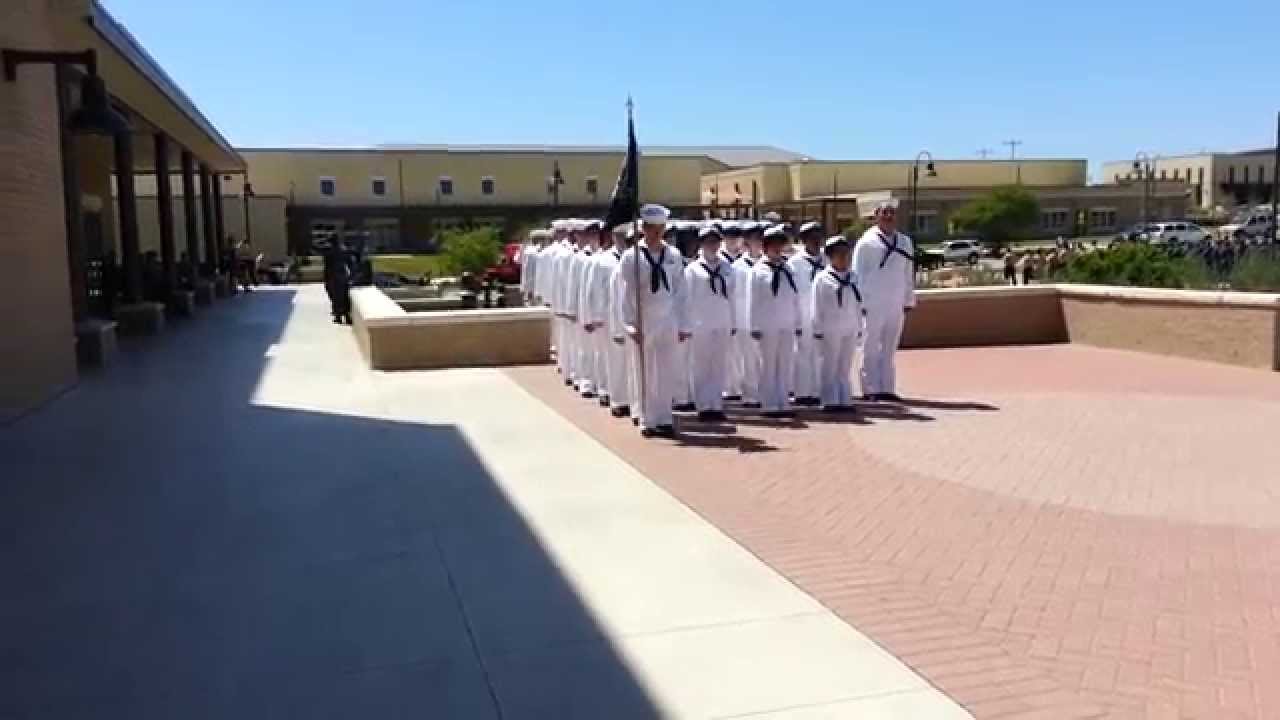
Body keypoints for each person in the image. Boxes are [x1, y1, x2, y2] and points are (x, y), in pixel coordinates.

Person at [616, 204, 690, 438]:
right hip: (645, 317)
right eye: (651, 228)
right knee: (645, 371)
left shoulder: (673, 255)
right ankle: (647, 418)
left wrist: (683, 324)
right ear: (643, 229)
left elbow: (681, 292)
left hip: (668, 318)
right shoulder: (632, 257)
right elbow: (626, 293)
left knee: (667, 370)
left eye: (660, 229)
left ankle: (665, 417)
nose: (656, 233)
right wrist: (630, 324)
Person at [852, 200, 915, 402]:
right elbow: (857, 273)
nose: (888, 217)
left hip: (895, 300)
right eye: (884, 213)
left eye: (892, 213)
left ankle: (887, 387)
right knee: (870, 346)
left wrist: (908, 299)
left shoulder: (905, 242)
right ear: (876, 216)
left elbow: (908, 273)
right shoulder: (866, 242)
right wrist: (859, 303)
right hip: (872, 301)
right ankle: (870, 388)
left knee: (890, 345)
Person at [749, 225, 803, 418]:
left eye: (780, 245)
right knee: (769, 363)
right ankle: (769, 402)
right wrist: (754, 325)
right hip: (767, 322)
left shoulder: (788, 268)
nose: (777, 249)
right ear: (765, 247)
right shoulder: (758, 270)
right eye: (773, 245)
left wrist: (797, 322)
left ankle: (783, 401)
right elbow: (753, 299)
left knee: (785, 362)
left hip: (786, 321)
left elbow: (794, 296)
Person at [684, 225, 737, 421]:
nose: (713, 245)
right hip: (700, 322)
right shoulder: (692, 270)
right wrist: (687, 325)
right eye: (708, 242)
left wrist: (733, 322)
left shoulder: (727, 267)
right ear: (701, 244)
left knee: (719, 365)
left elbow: (732, 296)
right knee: (701, 365)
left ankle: (716, 403)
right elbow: (686, 299)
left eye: (715, 241)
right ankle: (703, 405)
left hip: (722, 320)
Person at [810, 236, 865, 412]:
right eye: (838, 254)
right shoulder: (822, 278)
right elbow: (816, 305)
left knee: (845, 365)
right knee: (830, 364)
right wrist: (817, 328)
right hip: (830, 327)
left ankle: (844, 398)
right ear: (830, 256)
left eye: (845, 253)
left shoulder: (853, 277)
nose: (843, 258)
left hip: (849, 326)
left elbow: (858, 305)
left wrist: (859, 327)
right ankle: (829, 399)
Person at [592, 223, 631, 416]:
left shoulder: (635, 259)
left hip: (632, 314)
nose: (624, 241)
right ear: (613, 238)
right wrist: (595, 315)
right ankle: (617, 399)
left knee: (631, 361)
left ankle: (632, 399)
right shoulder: (604, 260)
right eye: (620, 237)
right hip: (610, 314)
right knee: (614, 359)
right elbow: (595, 289)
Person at [786, 221, 826, 406]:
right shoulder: (794, 263)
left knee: (821, 354)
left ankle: (818, 390)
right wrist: (794, 319)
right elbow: (791, 293)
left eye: (818, 237)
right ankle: (802, 392)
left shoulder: (827, 260)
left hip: (824, 313)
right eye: (810, 238)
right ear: (803, 240)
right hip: (802, 312)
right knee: (802, 353)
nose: (815, 242)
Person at [732, 221, 765, 408]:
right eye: (753, 240)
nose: (757, 243)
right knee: (748, 359)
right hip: (743, 318)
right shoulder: (737, 267)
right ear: (746, 243)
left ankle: (765, 392)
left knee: (764, 358)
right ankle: (750, 394)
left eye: (760, 240)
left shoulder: (767, 264)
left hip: (765, 318)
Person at [568, 221, 602, 398]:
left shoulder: (602, 257)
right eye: (592, 235)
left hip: (600, 311)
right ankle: (586, 382)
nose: (595, 238)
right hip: (584, 308)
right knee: (585, 348)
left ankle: (599, 383)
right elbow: (574, 286)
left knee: (600, 351)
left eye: (598, 235)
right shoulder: (580, 258)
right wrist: (573, 310)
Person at [320, 235, 352, 324]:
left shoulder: (329, 251)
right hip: (342, 275)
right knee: (344, 296)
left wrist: (326, 278)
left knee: (335, 296)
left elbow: (327, 265)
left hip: (332, 276)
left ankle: (338, 316)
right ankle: (347, 316)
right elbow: (350, 263)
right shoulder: (344, 250)